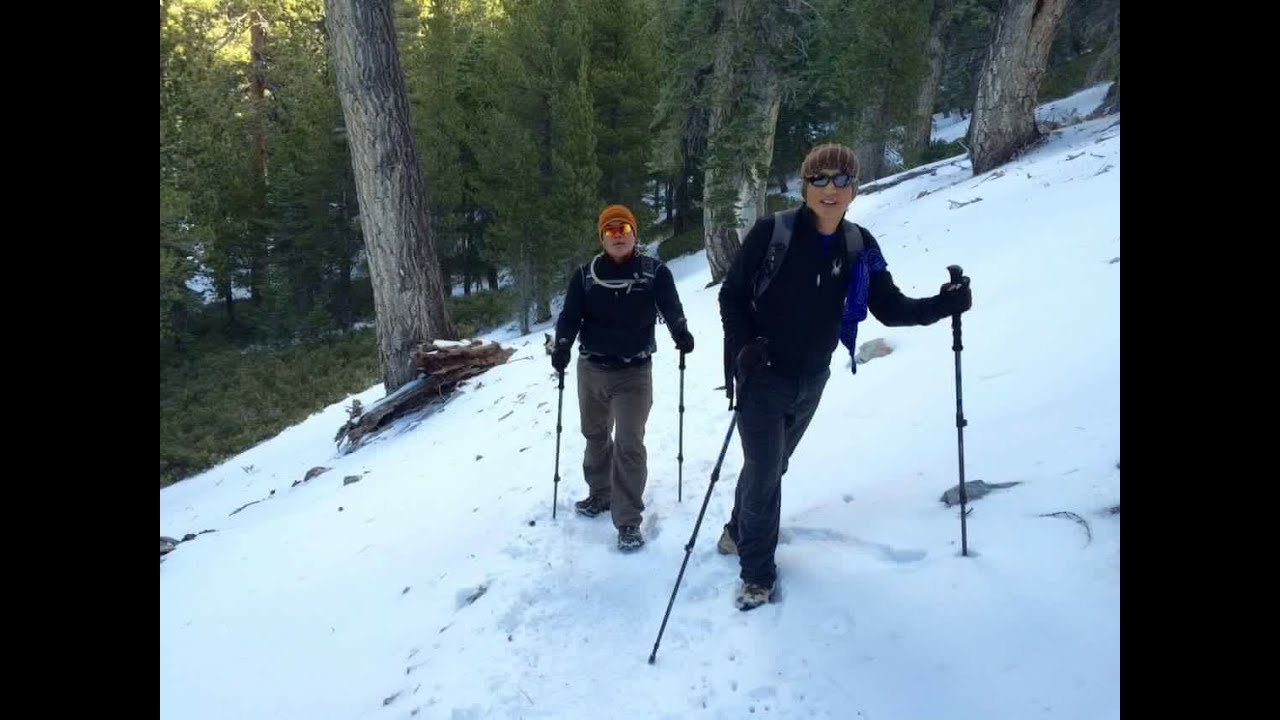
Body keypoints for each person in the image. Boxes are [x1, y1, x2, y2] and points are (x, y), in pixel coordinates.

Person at [716, 143, 972, 610]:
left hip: (813, 376)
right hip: (762, 374)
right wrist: (744, 346)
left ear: (854, 188)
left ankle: (738, 529)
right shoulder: (772, 233)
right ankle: (756, 573)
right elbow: (732, 297)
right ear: (804, 186)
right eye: (820, 179)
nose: (830, 189)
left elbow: (889, 308)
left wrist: (942, 304)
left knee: (772, 466)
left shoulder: (860, 245)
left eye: (841, 180)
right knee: (766, 470)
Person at [551, 204, 696, 551]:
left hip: (634, 373)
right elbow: (569, 316)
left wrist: (680, 331)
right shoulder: (586, 275)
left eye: (625, 229)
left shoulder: (654, 272)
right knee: (595, 435)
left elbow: (670, 305)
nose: (619, 236)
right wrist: (562, 346)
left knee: (629, 443)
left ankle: (628, 521)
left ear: (635, 234)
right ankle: (600, 494)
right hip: (592, 369)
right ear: (602, 237)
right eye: (611, 231)